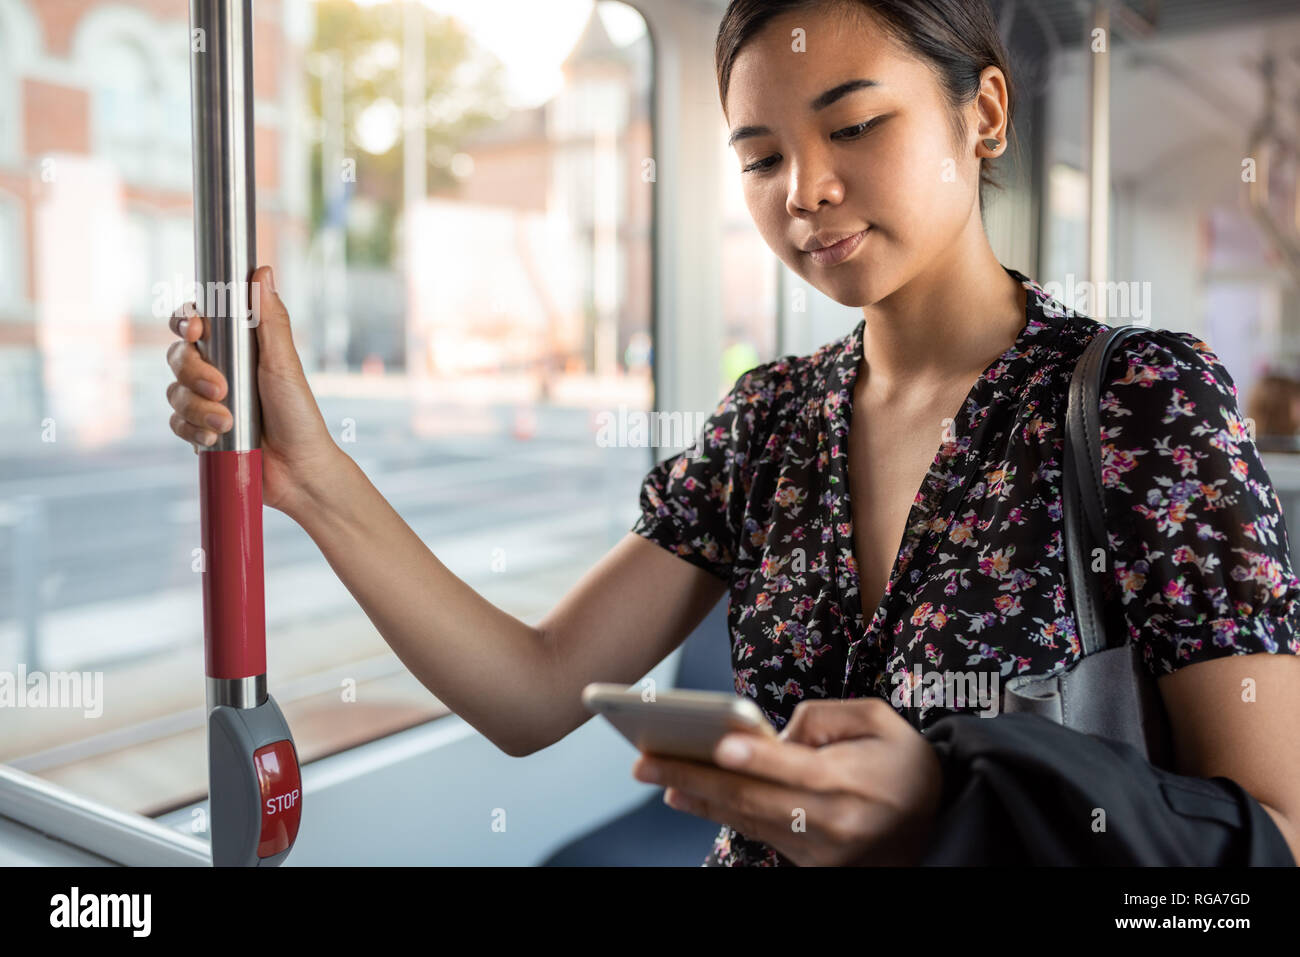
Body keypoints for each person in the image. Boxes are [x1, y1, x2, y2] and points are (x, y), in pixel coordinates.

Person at [164, 0, 1300, 867]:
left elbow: (1273, 838)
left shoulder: (1139, 401)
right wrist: (310, 475)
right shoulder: (770, 422)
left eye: (854, 124)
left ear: (984, 112)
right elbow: (532, 691)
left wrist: (946, 805)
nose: (803, 188)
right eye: (759, 158)